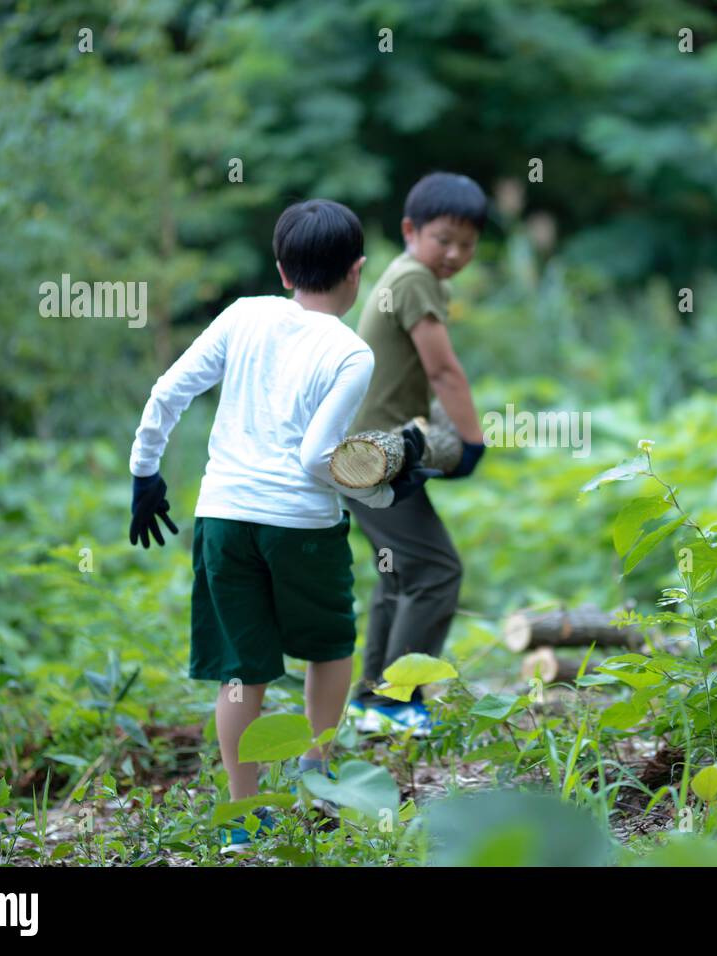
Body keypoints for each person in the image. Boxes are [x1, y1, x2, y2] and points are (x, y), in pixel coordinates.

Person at [126, 199, 434, 851]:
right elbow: (317, 461)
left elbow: (169, 389)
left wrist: (144, 472)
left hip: (223, 519)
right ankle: (318, 769)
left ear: (281, 269)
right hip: (298, 526)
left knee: (243, 670)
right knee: (329, 647)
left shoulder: (245, 316)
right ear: (357, 272)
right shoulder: (350, 353)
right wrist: (382, 490)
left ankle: (243, 818)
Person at [343, 172, 488, 735]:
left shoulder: (412, 276)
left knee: (401, 574)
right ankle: (395, 702)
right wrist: (472, 441)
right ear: (410, 230)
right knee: (436, 570)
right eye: (444, 239)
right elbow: (442, 369)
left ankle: (372, 699)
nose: (455, 254)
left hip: (371, 452)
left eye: (467, 244)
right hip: (376, 457)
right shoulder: (415, 280)